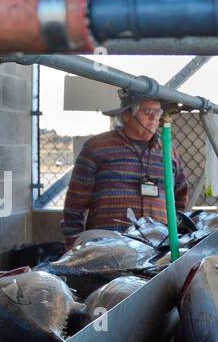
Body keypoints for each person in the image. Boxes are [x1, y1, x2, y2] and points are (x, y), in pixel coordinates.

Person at [61, 90, 188, 245]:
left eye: (158, 112)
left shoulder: (168, 151)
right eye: (147, 111)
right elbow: (75, 203)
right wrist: (72, 242)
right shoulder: (97, 147)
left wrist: (173, 234)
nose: (154, 117)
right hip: (107, 245)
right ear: (126, 115)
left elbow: (180, 196)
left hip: (157, 245)